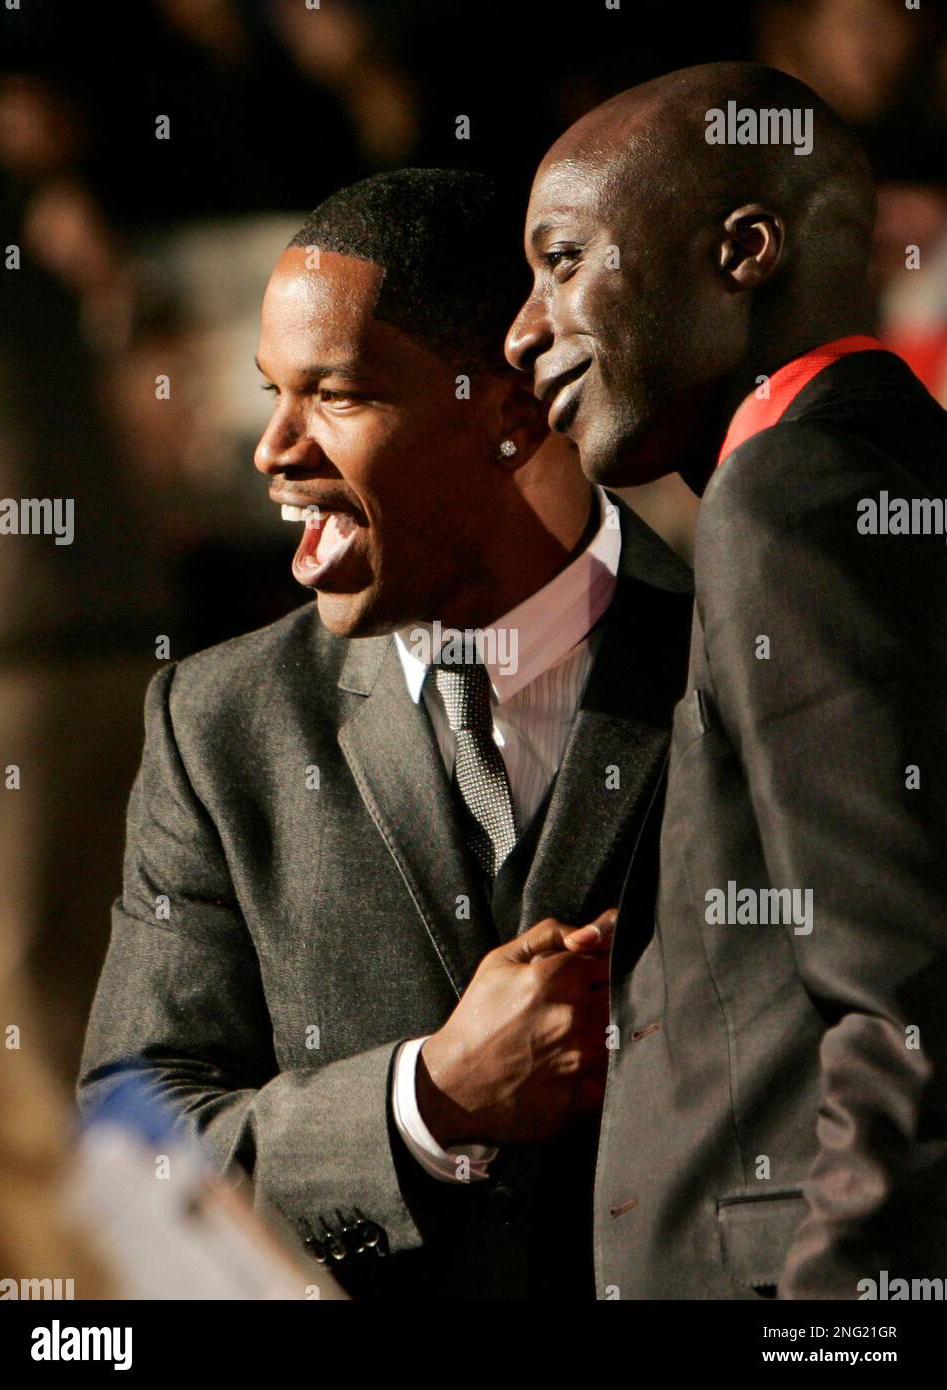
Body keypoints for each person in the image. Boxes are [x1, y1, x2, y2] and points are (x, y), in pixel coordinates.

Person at [78, 169, 693, 1299]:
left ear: (515, 407)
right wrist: (427, 1097)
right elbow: (125, 1165)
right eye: (272, 391)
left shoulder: (745, 672)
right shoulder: (217, 726)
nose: (272, 447)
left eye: (338, 395)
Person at [505, 62, 947, 1299]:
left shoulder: (786, 498)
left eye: (562, 258)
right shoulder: (885, 467)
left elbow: (907, 1000)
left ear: (745, 251)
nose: (523, 328)